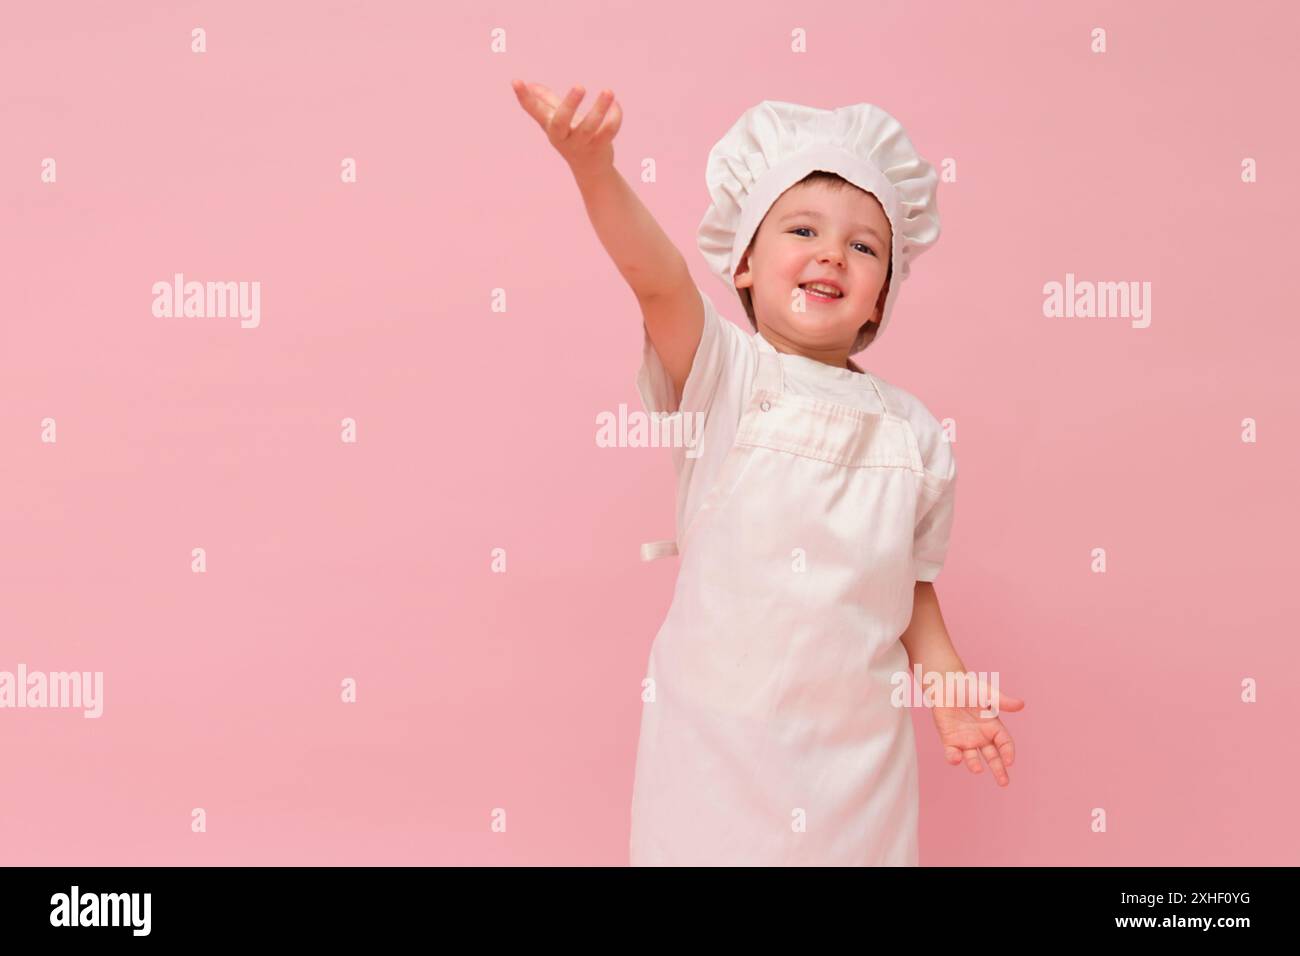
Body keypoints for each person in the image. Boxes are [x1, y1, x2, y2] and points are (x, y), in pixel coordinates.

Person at [512, 82, 1024, 866]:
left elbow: (911, 587)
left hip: (856, 761)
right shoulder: (724, 375)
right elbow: (655, 278)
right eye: (804, 229)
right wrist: (594, 169)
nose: (831, 253)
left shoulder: (916, 433)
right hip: (716, 743)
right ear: (745, 262)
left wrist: (949, 691)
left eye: (864, 246)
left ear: (880, 297)